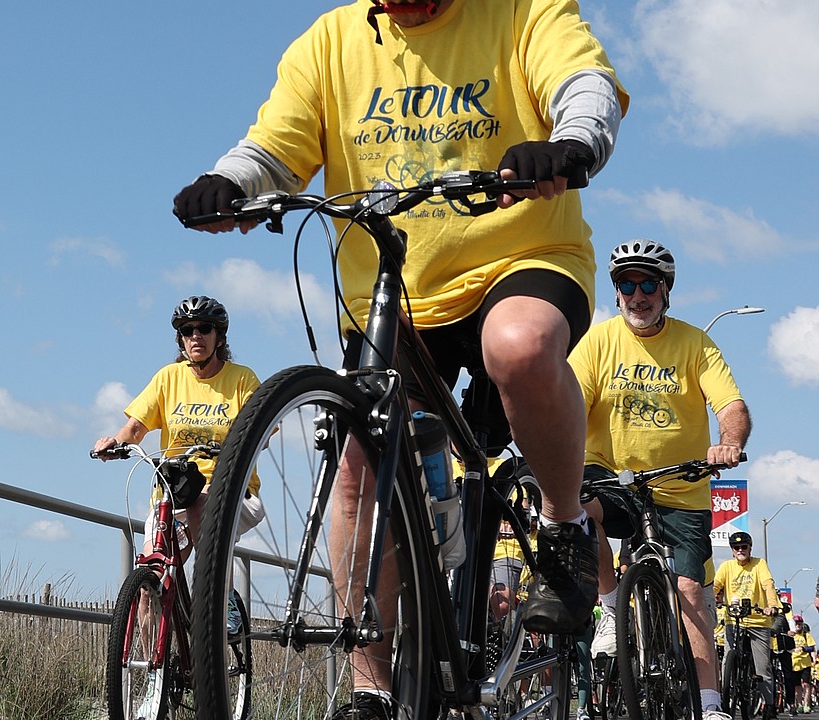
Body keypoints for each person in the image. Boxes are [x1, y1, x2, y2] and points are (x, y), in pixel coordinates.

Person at [173, 3, 628, 715]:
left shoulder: (519, 10)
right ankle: (371, 689)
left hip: (523, 256)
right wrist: (231, 182)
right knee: (356, 468)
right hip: (393, 287)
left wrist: (571, 143)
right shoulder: (333, 39)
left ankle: (565, 525)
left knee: (520, 346)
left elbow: (583, 79)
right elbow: (279, 141)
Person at [569, 240, 752, 720]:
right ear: (616, 293)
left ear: (666, 290)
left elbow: (731, 406)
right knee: (578, 507)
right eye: (626, 284)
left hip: (681, 486)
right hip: (614, 475)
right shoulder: (598, 340)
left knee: (691, 592)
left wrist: (727, 441)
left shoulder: (695, 343)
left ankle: (708, 705)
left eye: (648, 283)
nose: (637, 294)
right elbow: (571, 402)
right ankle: (611, 607)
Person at [92, 295, 265, 634]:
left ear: (220, 337)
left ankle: (222, 596)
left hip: (232, 493)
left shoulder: (242, 379)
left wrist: (235, 451)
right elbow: (136, 428)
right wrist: (116, 441)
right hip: (173, 494)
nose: (195, 336)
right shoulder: (168, 378)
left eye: (204, 329)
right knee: (148, 586)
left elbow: (262, 429)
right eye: (187, 331)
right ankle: (153, 679)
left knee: (202, 501)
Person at [712, 533, 781, 718]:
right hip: (734, 620)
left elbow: (768, 585)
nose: (740, 550)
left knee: (762, 667)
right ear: (732, 550)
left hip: (758, 621)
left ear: (750, 547)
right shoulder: (726, 567)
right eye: (737, 548)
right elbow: (716, 585)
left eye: (744, 547)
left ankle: (769, 705)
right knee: (728, 658)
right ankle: (727, 694)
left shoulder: (759, 564)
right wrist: (713, 597)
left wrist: (772, 605)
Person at [787, 616, 817, 715]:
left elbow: (812, 647)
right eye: (797, 624)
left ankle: (806, 705)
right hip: (794, 663)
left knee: (806, 684)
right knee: (797, 686)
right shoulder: (791, 636)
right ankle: (799, 704)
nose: (798, 626)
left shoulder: (806, 635)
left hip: (805, 663)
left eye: (800, 623)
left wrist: (804, 649)